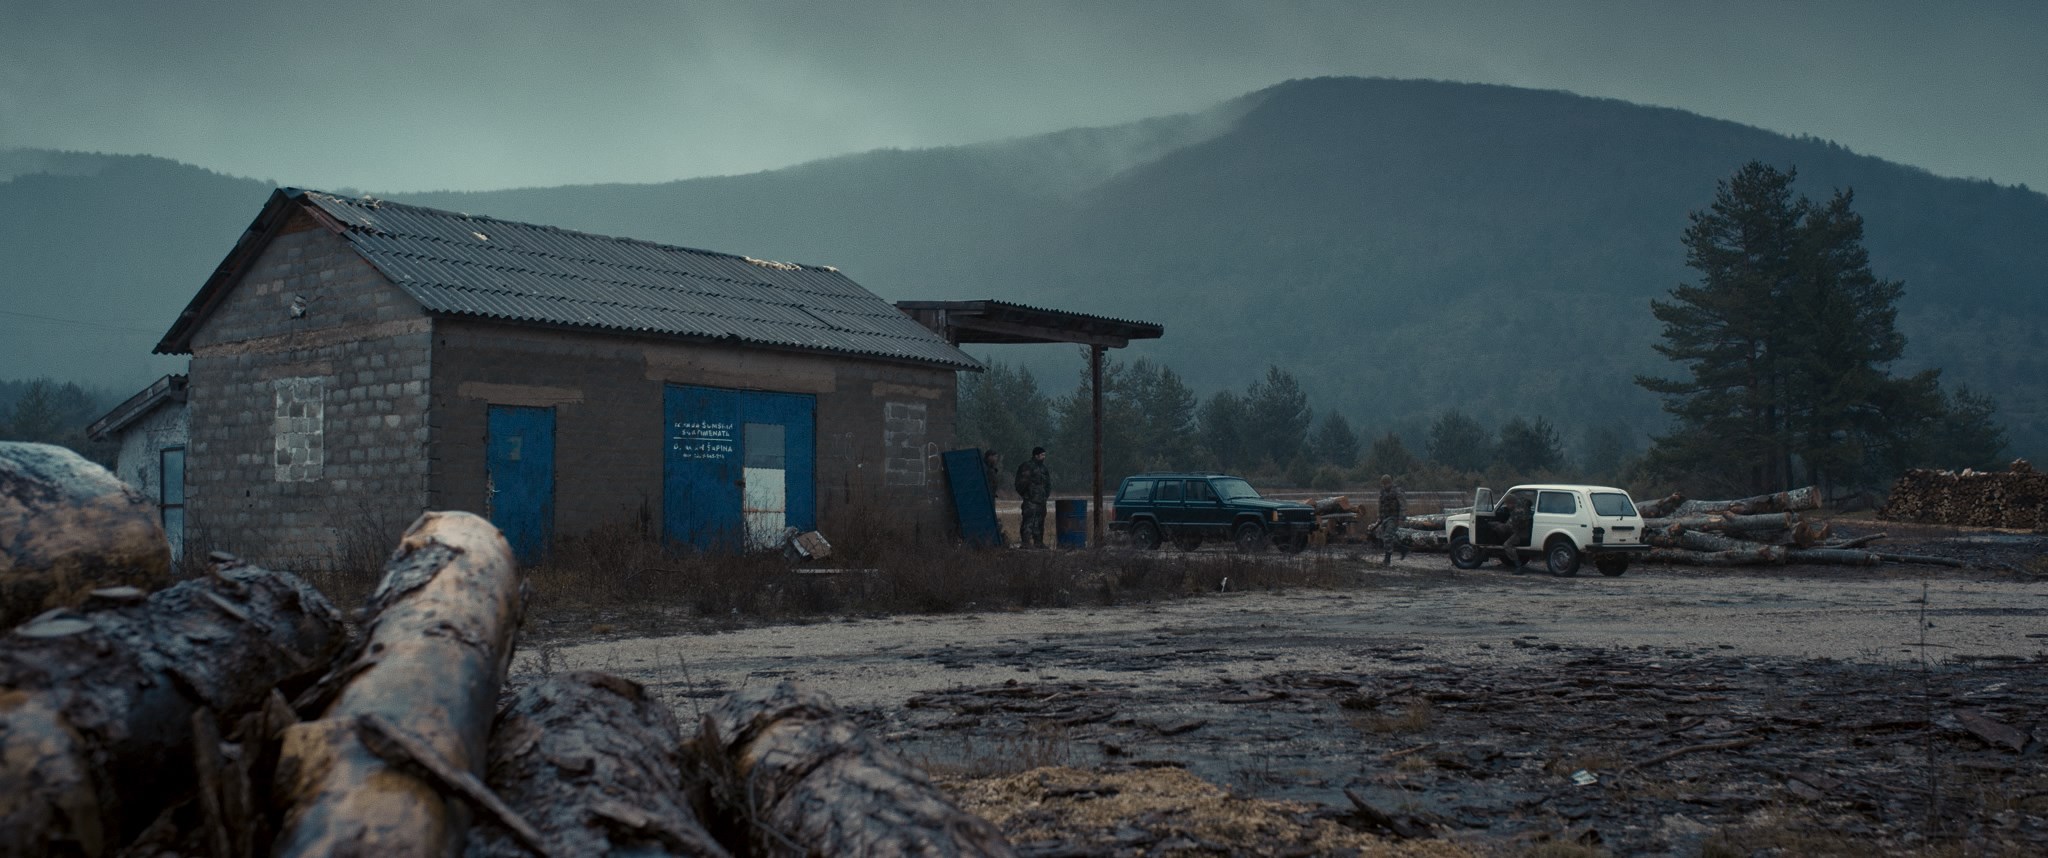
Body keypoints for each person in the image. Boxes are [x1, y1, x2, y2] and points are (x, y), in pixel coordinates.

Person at [1014, 446, 1051, 548]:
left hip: (1041, 501)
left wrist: (1045, 495)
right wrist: (1027, 495)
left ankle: (1038, 543)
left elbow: (1048, 484)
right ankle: (1025, 543)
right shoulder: (1027, 466)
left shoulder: (1043, 468)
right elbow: (1020, 484)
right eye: (1042, 455)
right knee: (1028, 522)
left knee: (1040, 522)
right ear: (1036, 455)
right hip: (1030, 500)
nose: (1044, 457)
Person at [1498, 493, 1533, 574]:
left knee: (1507, 545)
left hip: (1522, 534)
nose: (1507, 506)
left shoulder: (1517, 512)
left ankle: (1518, 566)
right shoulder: (1523, 503)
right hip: (1527, 530)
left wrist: (1496, 525)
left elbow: (1507, 527)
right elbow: (1529, 502)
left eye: (1507, 504)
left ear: (1511, 503)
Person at [1376, 474, 1407, 566]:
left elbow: (1403, 505)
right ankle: (1403, 549)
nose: (1385, 486)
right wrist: (1379, 517)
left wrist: (1402, 517)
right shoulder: (1383, 492)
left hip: (1394, 517)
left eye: (1386, 483)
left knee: (1387, 537)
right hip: (1385, 517)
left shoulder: (1397, 491)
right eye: (1383, 484)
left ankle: (1387, 560)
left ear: (1390, 482)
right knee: (1385, 537)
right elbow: (1380, 504)